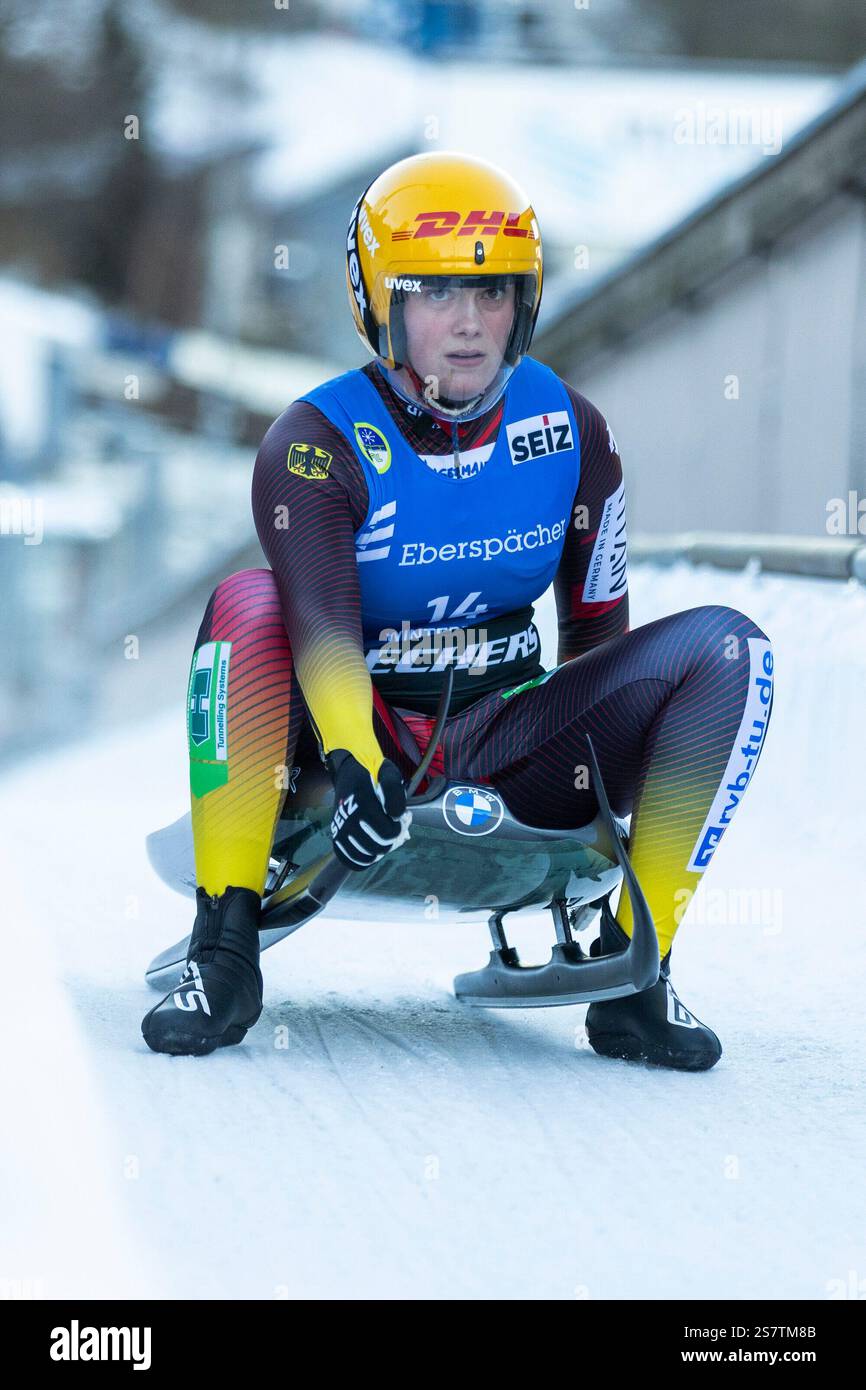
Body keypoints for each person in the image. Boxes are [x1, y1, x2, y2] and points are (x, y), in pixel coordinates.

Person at [142, 151, 774, 1066]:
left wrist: (608, 794)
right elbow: (318, 626)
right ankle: (226, 947)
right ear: (382, 304)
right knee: (247, 601)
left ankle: (640, 970)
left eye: (495, 293)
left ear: (527, 303)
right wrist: (358, 766)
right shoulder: (314, 444)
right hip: (349, 749)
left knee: (730, 653)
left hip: (503, 740)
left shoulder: (573, 430)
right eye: (437, 293)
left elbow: (599, 637)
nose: (472, 324)